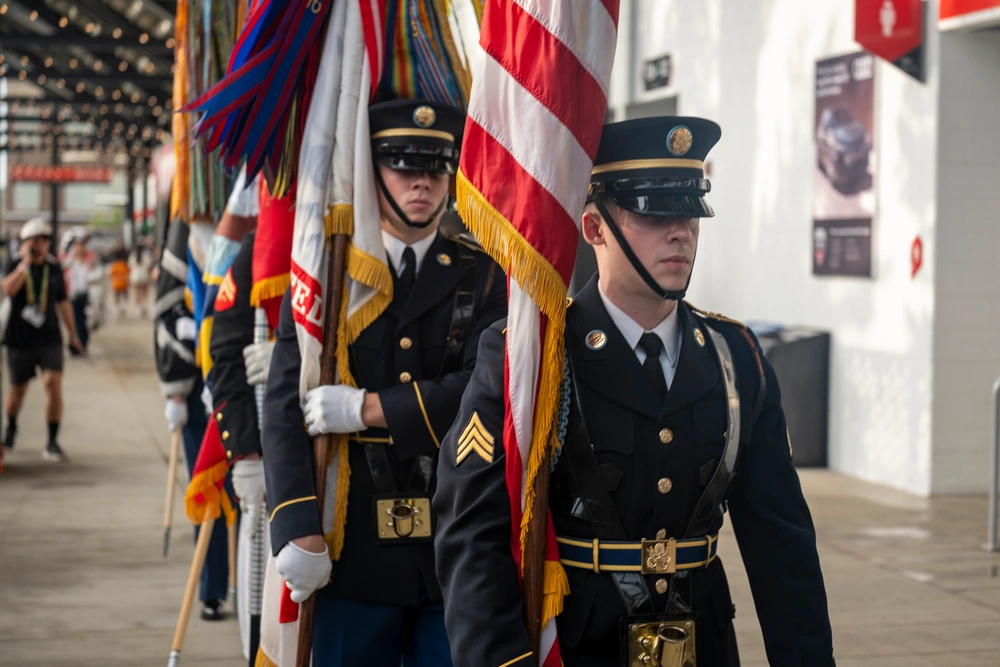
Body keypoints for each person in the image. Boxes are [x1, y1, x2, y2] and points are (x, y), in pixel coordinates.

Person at [434, 117, 836, 667]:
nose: (681, 232)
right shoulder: (533, 357)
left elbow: (781, 541)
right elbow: (472, 537)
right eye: (654, 212)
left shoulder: (735, 357)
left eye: (691, 212)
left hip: (705, 644)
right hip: (583, 648)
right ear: (594, 227)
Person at [260, 99, 507, 665]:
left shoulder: (484, 271)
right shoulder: (327, 270)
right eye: (402, 164)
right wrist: (295, 523)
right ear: (370, 173)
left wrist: (368, 409)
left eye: (437, 167)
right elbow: (282, 404)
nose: (422, 181)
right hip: (348, 554)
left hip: (451, 548)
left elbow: (483, 393)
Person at [154, 219, 232, 621]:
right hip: (199, 386)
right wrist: (176, 387)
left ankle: (248, 590)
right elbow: (168, 309)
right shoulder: (186, 229)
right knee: (210, 493)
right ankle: (213, 589)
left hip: (241, 381)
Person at [207, 230, 272, 664]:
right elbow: (227, 352)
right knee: (266, 609)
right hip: (271, 453)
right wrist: (244, 450)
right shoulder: (264, 242)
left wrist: (291, 357)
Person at [1, 218, 84, 462]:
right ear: (25, 243)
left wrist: (74, 334)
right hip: (19, 339)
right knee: (18, 391)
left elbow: (63, 302)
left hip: (49, 338)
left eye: (45, 240)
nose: (40, 245)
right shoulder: (15, 264)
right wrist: (24, 266)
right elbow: (8, 289)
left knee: (52, 383)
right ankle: (12, 425)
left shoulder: (54, 267)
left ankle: (51, 441)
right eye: (35, 240)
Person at [63, 231, 95, 353]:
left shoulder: (90, 261)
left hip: (87, 296)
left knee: (84, 322)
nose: (79, 249)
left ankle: (83, 343)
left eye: (82, 246)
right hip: (73, 295)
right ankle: (75, 345)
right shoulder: (69, 262)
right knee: (75, 321)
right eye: (77, 247)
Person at [129, 244, 152, 317]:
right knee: (144, 292)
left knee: (137, 293)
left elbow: (130, 266)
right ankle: (143, 306)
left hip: (135, 276)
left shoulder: (133, 256)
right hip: (143, 275)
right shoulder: (146, 256)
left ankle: (139, 308)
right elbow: (149, 266)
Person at [109, 249, 131, 318]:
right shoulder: (123, 264)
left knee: (117, 296)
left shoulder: (114, 265)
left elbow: (111, 274)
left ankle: (118, 308)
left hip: (116, 283)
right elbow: (128, 273)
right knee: (124, 296)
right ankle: (123, 307)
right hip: (123, 283)